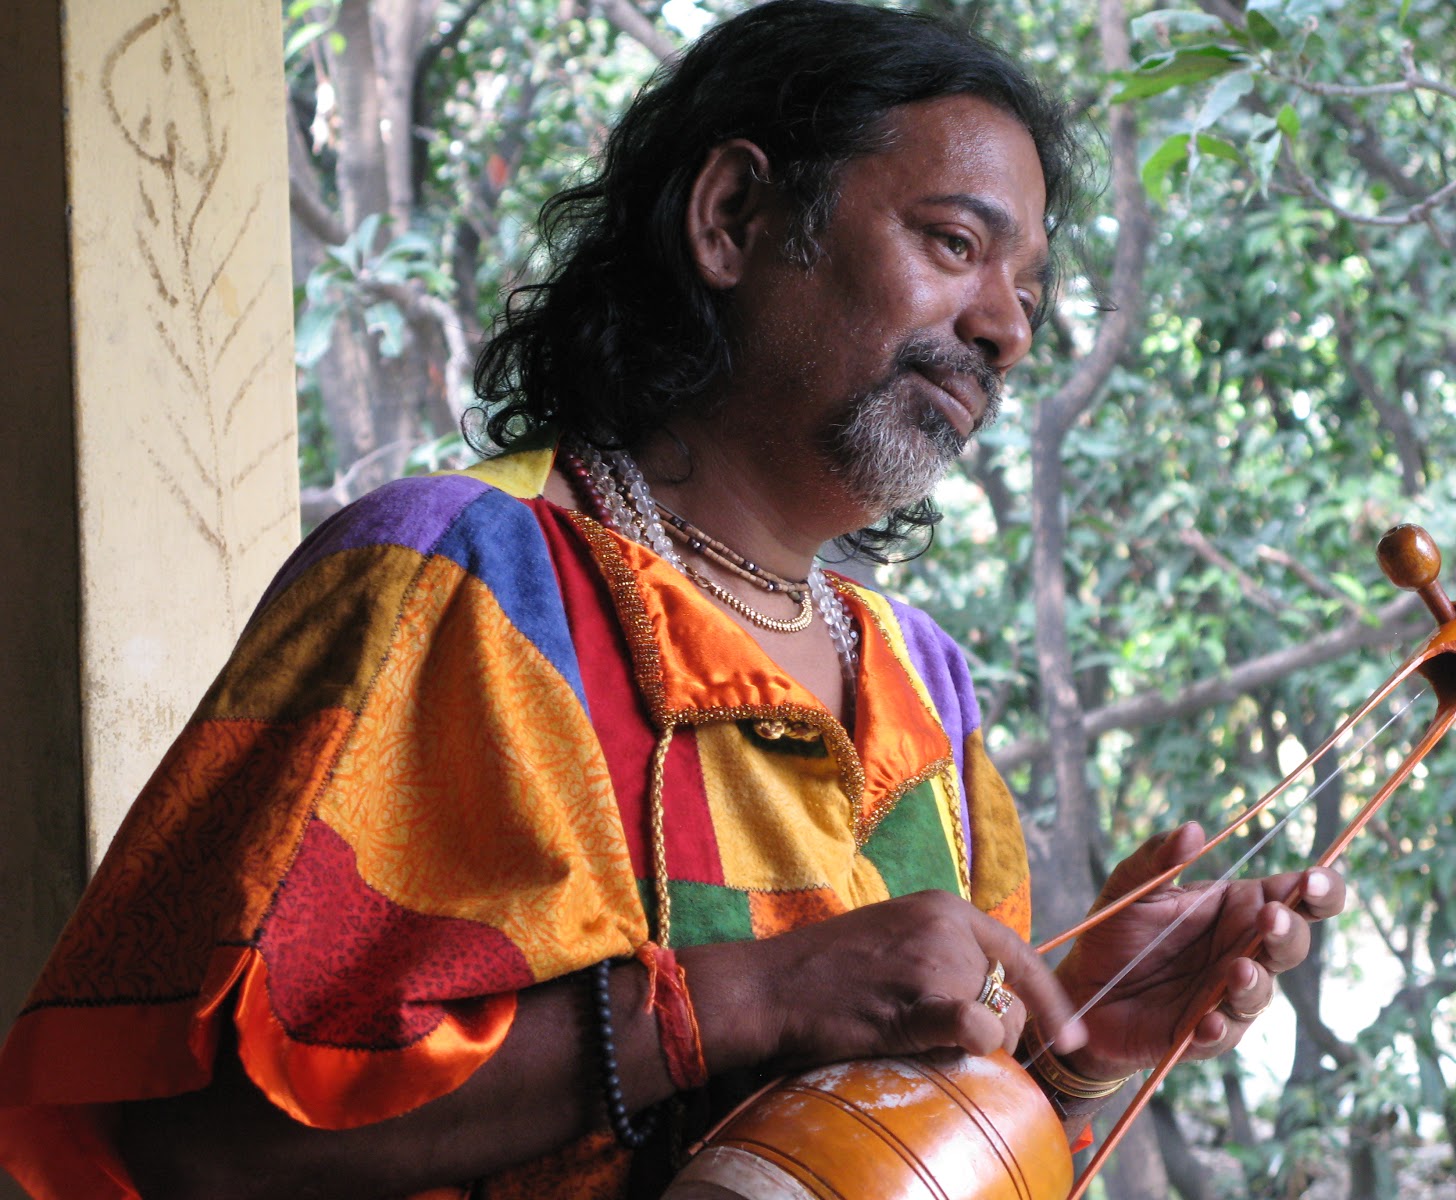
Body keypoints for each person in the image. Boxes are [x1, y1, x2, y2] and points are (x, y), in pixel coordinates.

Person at [0, 3, 1346, 1197]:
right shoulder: (451, 581)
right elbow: (170, 1135)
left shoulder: (925, 691)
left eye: (1029, 294)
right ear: (732, 219)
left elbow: (898, 1147)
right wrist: (743, 1001)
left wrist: (1082, 1045)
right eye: (953, 242)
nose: (1004, 327)